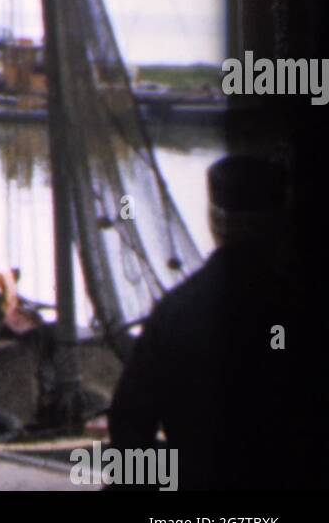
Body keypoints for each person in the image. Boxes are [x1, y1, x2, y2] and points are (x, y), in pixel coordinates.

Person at [108, 155, 317, 490]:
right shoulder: (294, 307)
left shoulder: (173, 312)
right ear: (281, 223)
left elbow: (130, 423)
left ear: (214, 223)